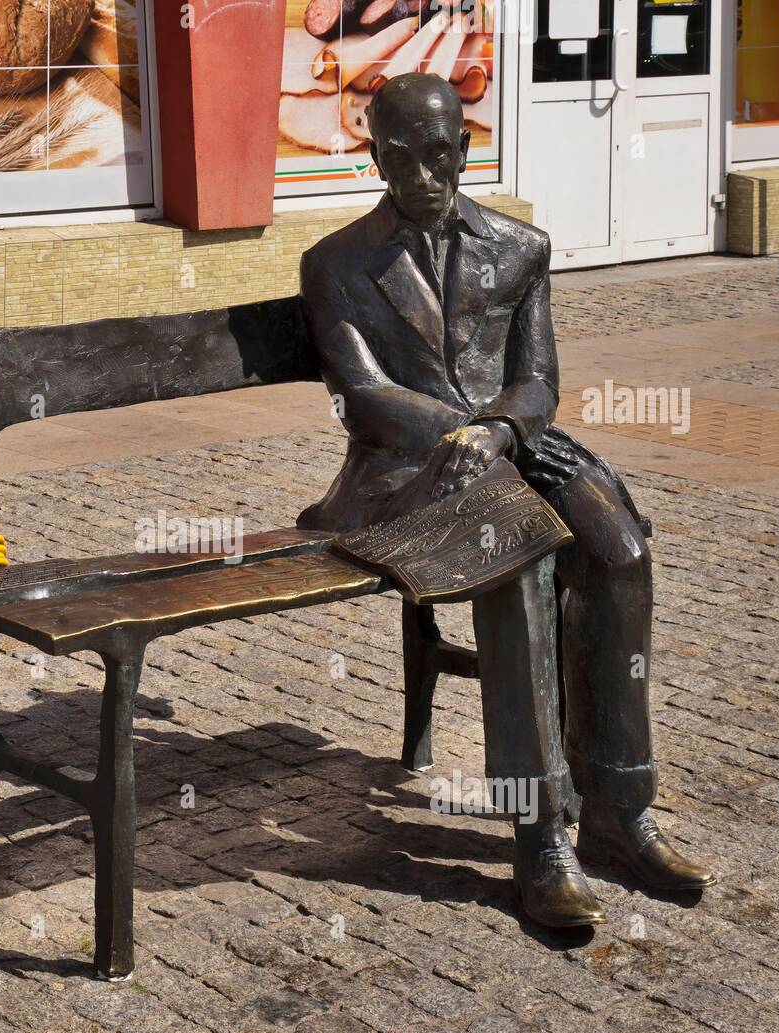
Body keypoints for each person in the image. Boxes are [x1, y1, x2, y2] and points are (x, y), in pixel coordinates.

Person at [298, 72, 715, 927]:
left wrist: (500, 432)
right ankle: (539, 832)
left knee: (621, 552)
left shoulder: (520, 249)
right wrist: (468, 432)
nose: (422, 174)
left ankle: (619, 808)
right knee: (519, 561)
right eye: (400, 156)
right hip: (401, 477)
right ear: (372, 153)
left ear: (466, 147)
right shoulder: (335, 264)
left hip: (515, 448)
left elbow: (537, 380)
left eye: (439, 152)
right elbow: (362, 393)